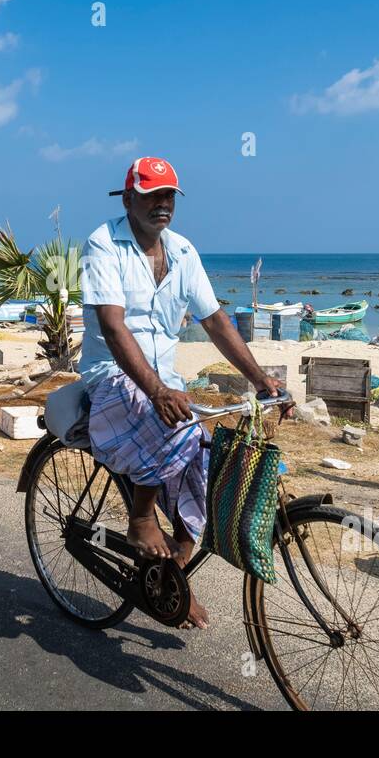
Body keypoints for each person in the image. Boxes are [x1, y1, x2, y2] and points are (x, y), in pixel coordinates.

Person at [79, 156, 285, 628]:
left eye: (169, 196)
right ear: (128, 199)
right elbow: (112, 326)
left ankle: (172, 571)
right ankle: (142, 519)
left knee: (210, 466)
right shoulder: (102, 244)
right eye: (153, 196)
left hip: (163, 385)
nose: (163, 205)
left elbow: (214, 320)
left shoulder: (185, 253)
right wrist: (153, 389)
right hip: (112, 377)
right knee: (178, 423)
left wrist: (259, 379)